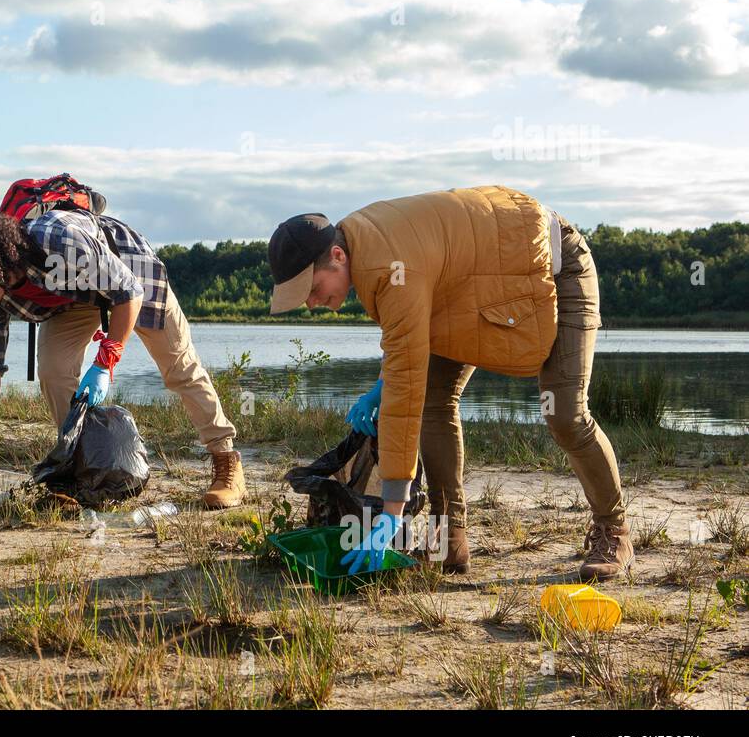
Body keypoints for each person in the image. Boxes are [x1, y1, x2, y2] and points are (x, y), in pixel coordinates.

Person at [267, 185, 631, 581]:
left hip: (555, 268)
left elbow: (406, 384)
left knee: (565, 412)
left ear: (336, 257)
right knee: (434, 402)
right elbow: (405, 341)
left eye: (313, 289)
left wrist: (391, 515)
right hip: (469, 289)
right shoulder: (363, 245)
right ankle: (447, 540)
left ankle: (613, 530)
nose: (312, 303)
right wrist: (380, 386)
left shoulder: (384, 264)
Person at [0, 208, 246, 508]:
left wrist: (106, 361)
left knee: (178, 367)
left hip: (130, 276)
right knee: (53, 370)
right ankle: (84, 471)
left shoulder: (57, 238)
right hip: (72, 299)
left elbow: (127, 291)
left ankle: (226, 461)